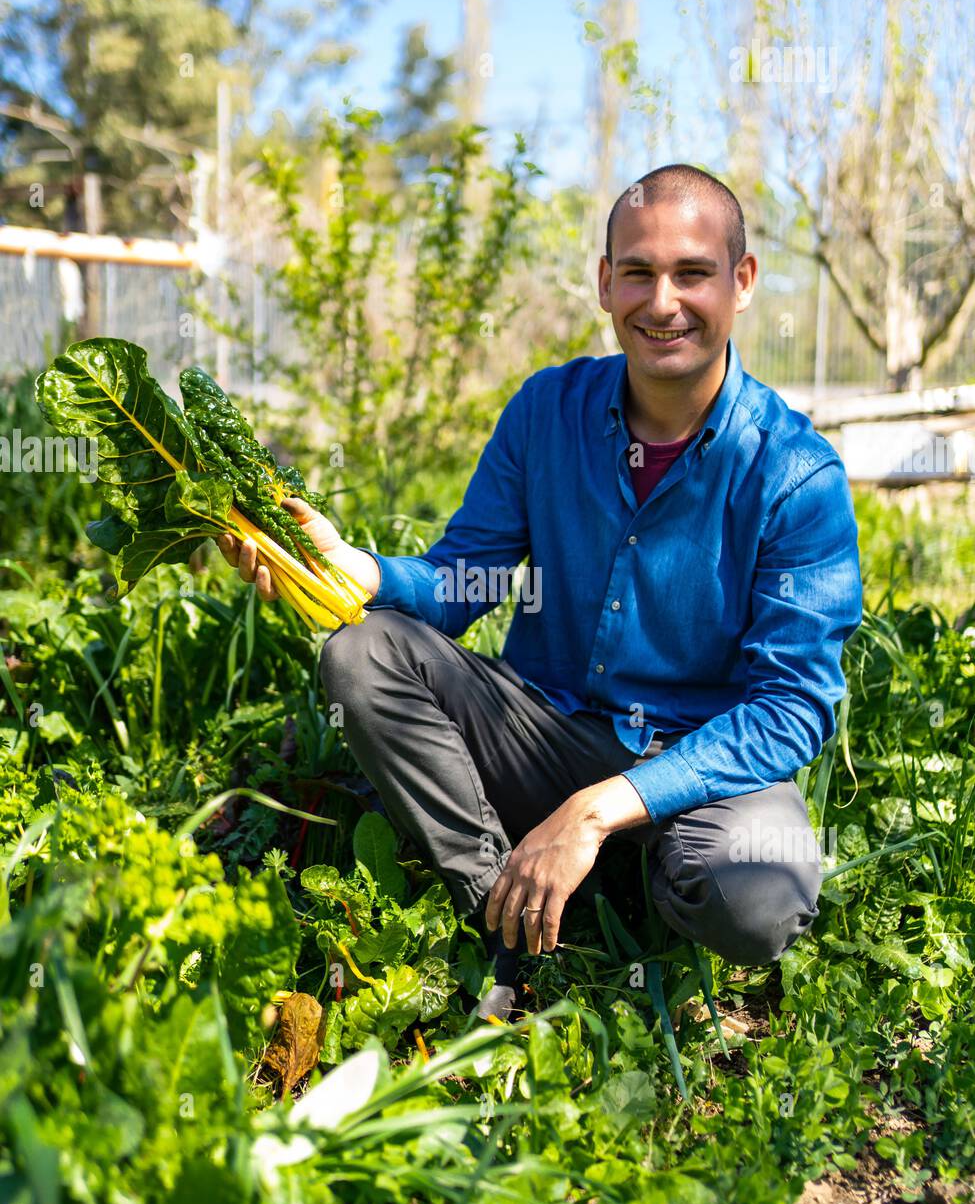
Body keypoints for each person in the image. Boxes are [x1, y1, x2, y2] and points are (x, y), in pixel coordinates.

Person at [217, 164, 863, 1022]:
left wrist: (598, 812)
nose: (661, 301)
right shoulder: (546, 412)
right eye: (637, 271)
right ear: (604, 282)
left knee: (756, 896)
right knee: (360, 649)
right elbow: (458, 581)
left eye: (691, 273)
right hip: (545, 732)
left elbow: (791, 711)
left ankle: (623, 868)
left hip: (706, 767)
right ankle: (504, 911)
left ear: (740, 283)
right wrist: (359, 569)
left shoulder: (793, 474)